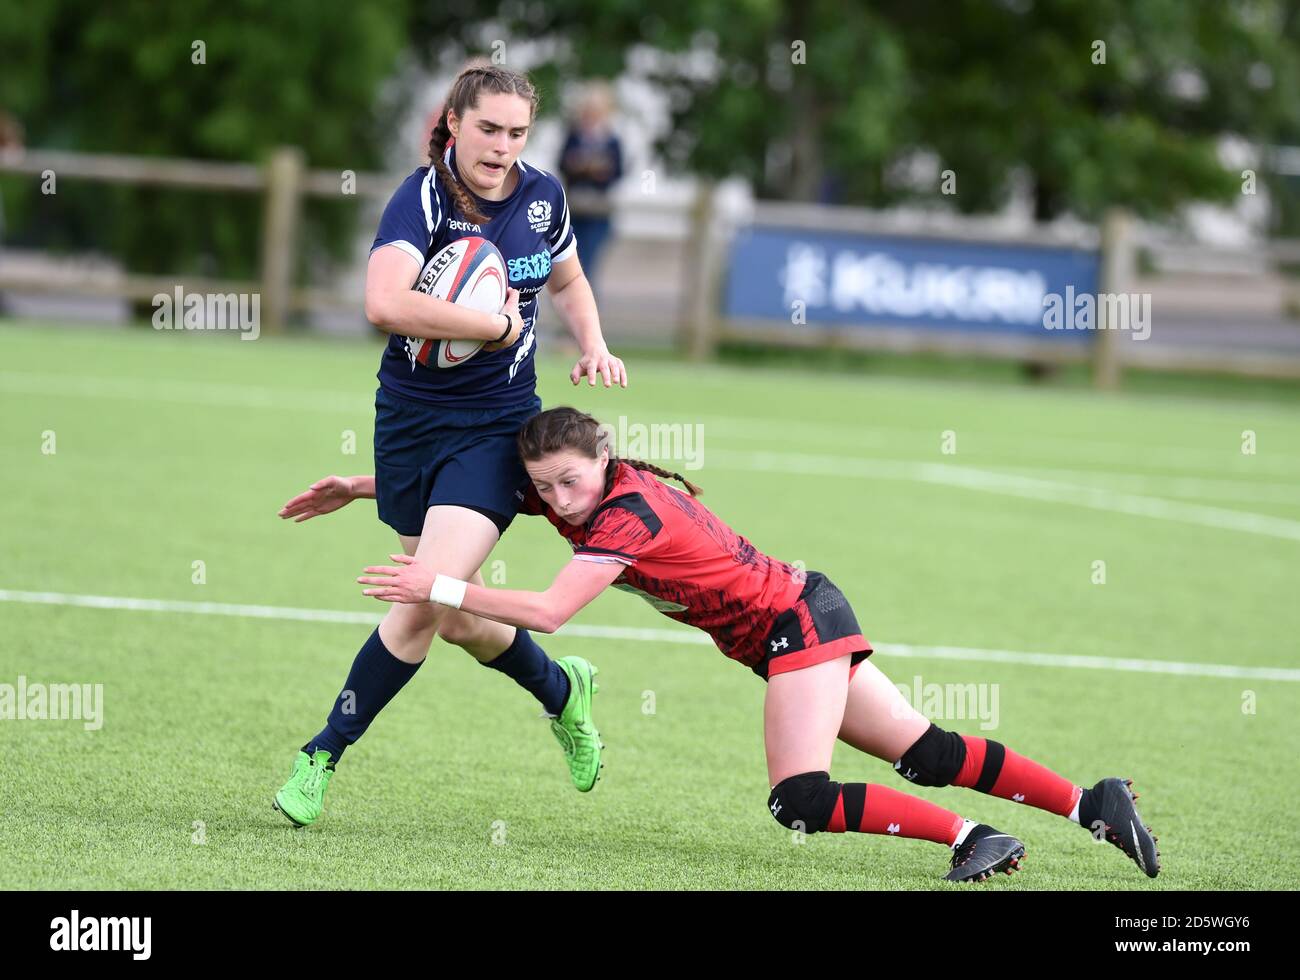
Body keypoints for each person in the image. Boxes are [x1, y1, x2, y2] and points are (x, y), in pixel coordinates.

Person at [308, 406, 1161, 881]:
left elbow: (551, 610)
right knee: (928, 749)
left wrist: (440, 585)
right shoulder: (581, 492)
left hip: (797, 625)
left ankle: (970, 839)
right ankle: (1095, 803)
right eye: (544, 488)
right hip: (799, 616)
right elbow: (477, 489)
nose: (558, 501)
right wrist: (361, 484)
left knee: (800, 798)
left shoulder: (626, 514)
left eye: (570, 481)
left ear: (604, 458)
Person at [272, 67, 628, 828]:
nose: (502, 147)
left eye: (517, 132)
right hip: (407, 420)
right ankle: (562, 692)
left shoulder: (543, 198)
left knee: (421, 594)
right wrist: (494, 327)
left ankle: (321, 754)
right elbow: (383, 303)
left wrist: (593, 341)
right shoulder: (424, 196)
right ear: (455, 123)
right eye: (488, 129)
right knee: (454, 613)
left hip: (500, 427)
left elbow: (566, 281)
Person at [558, 82, 623, 291]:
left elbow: (618, 172)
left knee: (589, 264)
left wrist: (599, 171)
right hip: (575, 209)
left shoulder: (612, 140)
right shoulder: (574, 135)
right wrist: (578, 165)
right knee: (570, 263)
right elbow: (562, 164)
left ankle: (587, 315)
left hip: (598, 212)